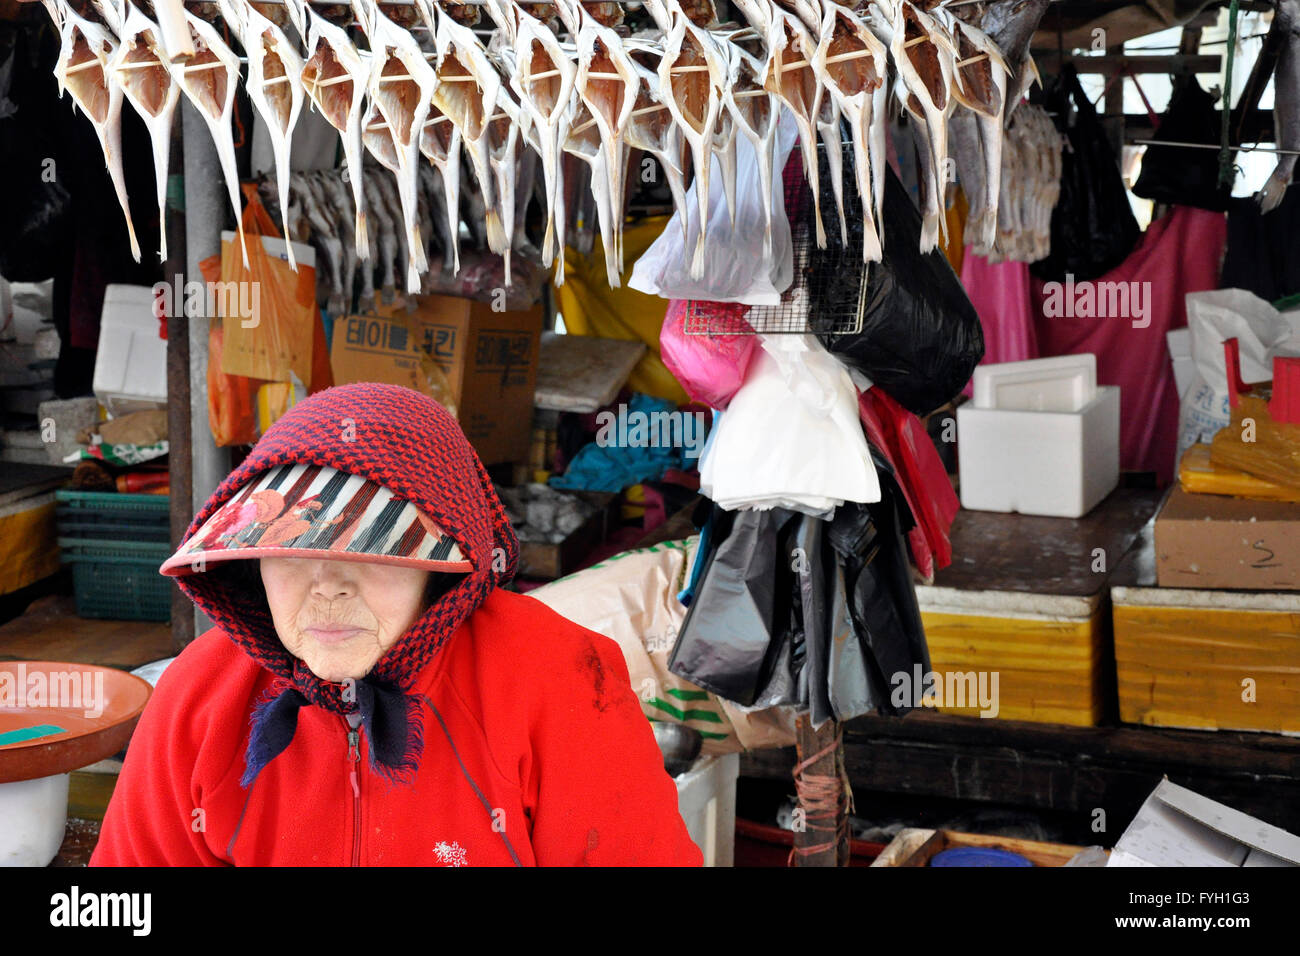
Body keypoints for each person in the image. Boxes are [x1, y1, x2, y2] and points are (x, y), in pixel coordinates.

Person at [90, 382, 702, 866]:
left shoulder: (559, 678)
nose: (328, 586)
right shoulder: (200, 695)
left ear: (442, 571)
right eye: (291, 549)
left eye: (372, 550)